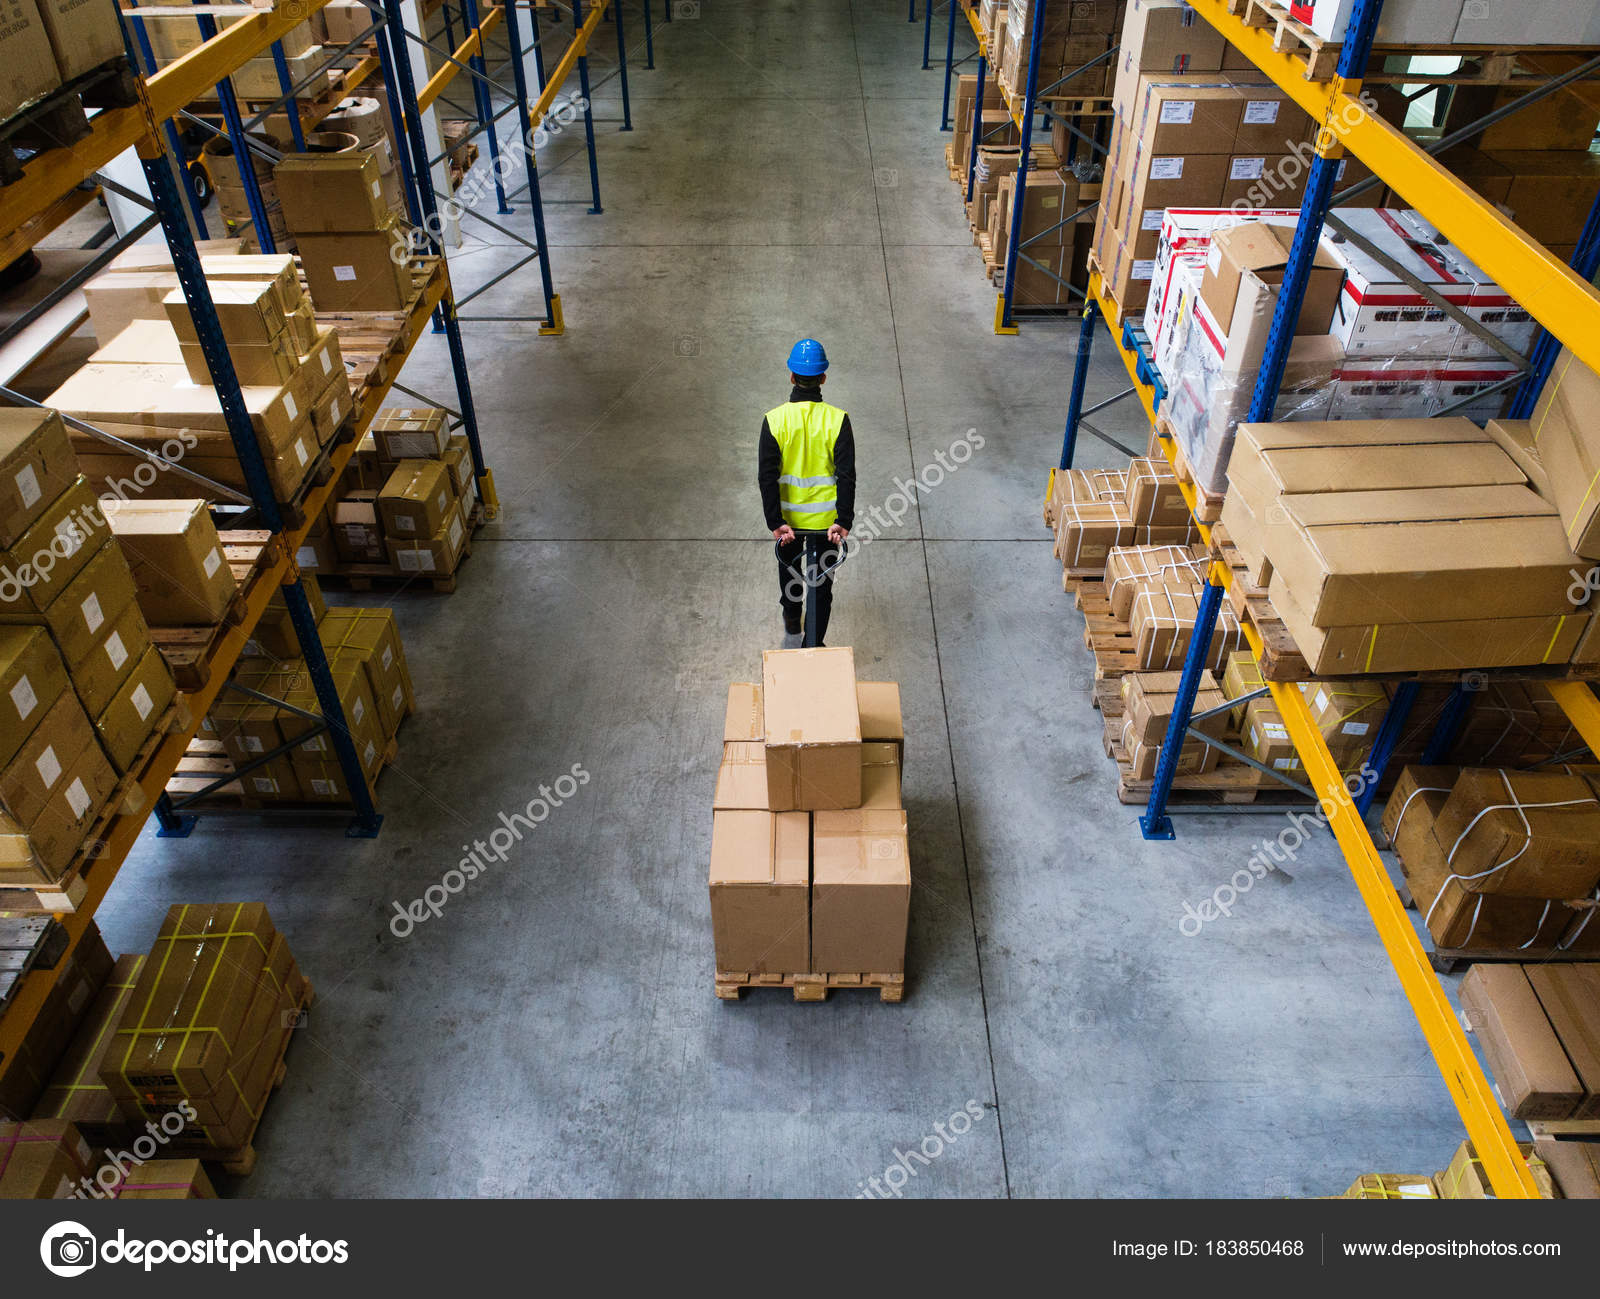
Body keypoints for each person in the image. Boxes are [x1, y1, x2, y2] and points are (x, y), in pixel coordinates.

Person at [757, 338, 856, 645]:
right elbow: (846, 476)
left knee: (789, 569)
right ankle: (812, 644)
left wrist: (775, 521)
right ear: (823, 378)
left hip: (788, 522)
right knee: (821, 586)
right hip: (826, 525)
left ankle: (791, 615)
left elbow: (766, 477)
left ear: (792, 376)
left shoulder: (774, 421)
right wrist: (843, 520)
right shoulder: (838, 420)